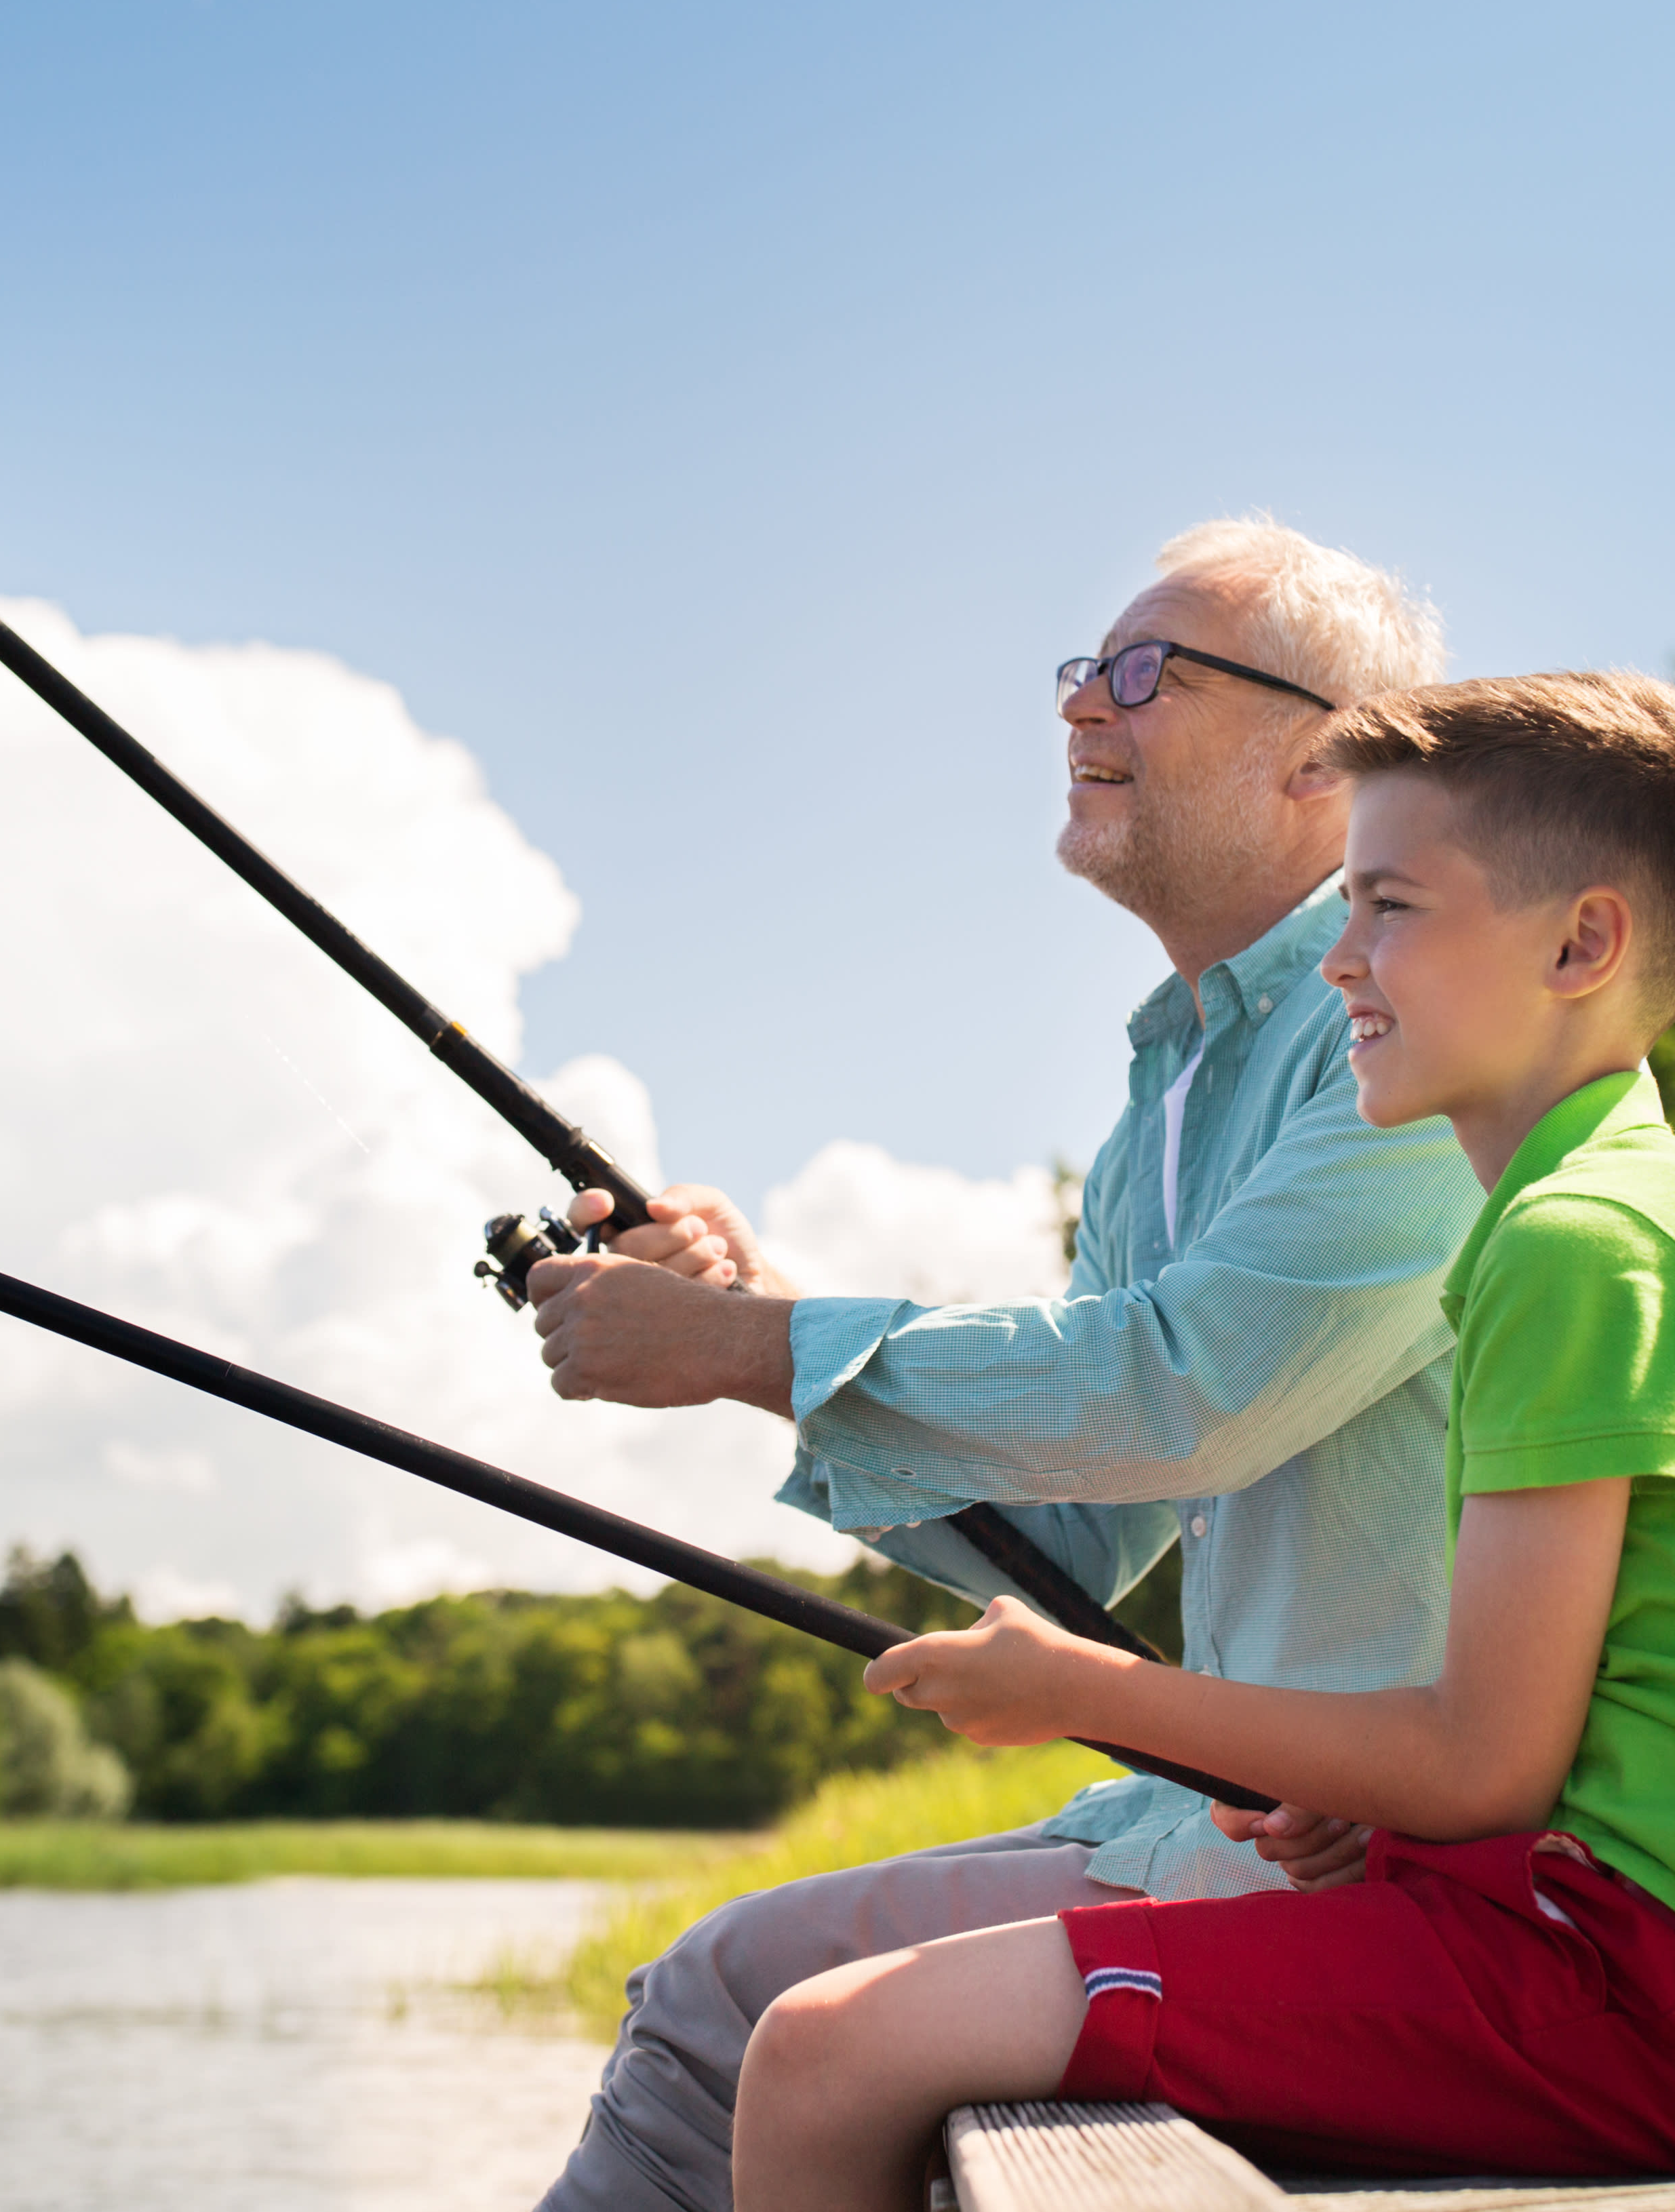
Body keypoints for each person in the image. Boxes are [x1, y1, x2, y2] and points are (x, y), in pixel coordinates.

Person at [728, 670, 1675, 2210]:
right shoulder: (1603, 1208)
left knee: (829, 2046)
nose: (1338, 964)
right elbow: (1538, 1747)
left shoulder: (1584, 1238)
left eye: (1386, 910)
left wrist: (1082, 1691)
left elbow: (1479, 1763)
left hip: (1648, 1993)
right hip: (1634, 1953)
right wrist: (1355, 1811)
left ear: (1580, 942)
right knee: (849, 2036)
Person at [524, 520, 1485, 2212]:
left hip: (1375, 1850)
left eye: (1141, 674)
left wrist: (764, 1341)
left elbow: (1190, 1384)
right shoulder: (1161, 1099)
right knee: (712, 1989)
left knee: (718, 2001)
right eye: (1077, 672)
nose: (1077, 710)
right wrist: (764, 1345)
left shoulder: (1405, 1041)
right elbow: (1078, 1533)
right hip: (1225, 1822)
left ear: (1321, 755)